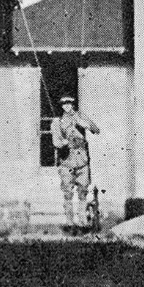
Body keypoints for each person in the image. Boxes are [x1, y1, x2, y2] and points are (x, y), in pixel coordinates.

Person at [51, 94, 100, 230]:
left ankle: (83, 222)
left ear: (73, 104)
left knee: (83, 191)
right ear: (61, 106)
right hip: (67, 161)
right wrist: (63, 142)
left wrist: (85, 125)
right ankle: (69, 223)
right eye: (64, 104)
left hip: (82, 160)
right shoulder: (57, 121)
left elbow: (96, 130)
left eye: (69, 103)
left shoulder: (80, 116)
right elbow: (56, 141)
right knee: (67, 192)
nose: (67, 106)